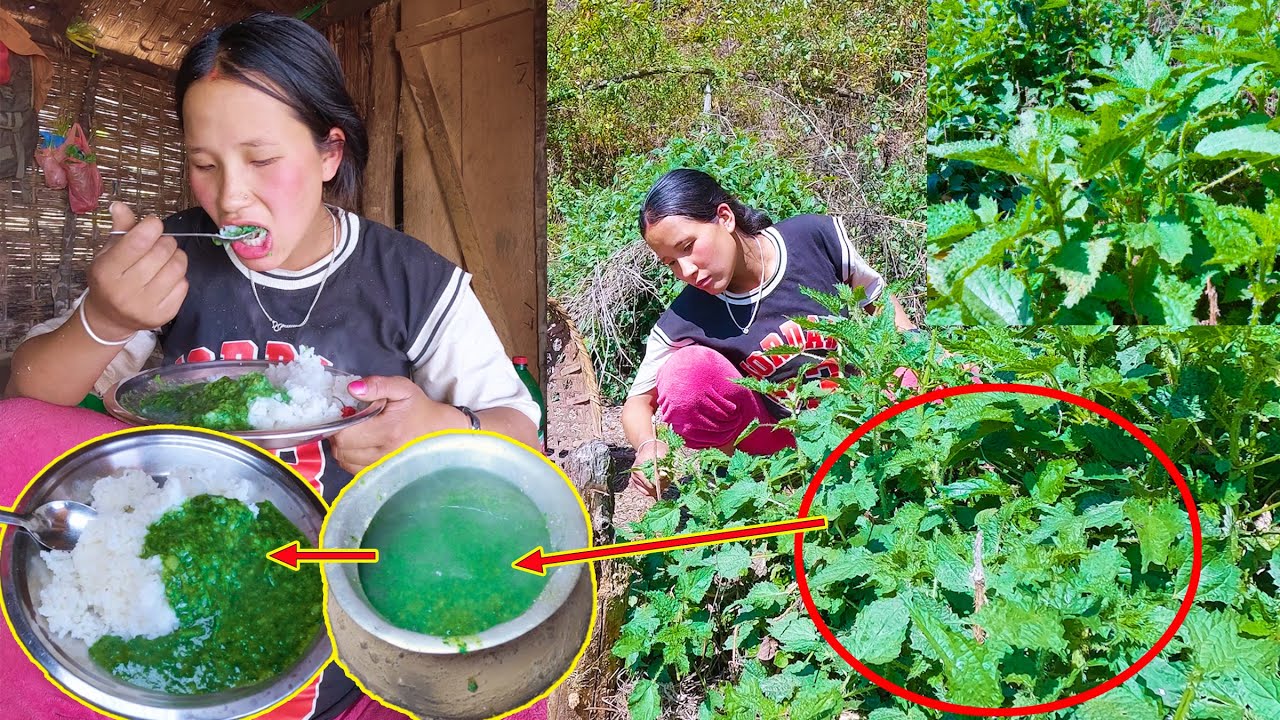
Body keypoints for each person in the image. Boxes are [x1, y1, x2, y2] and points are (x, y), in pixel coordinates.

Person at [1, 13, 542, 720]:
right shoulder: (176, 257)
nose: (229, 196)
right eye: (204, 164)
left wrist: (440, 427)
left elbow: (521, 433)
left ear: (327, 152)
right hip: (185, 572)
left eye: (261, 160)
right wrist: (105, 318)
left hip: (363, 592)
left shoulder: (413, 282)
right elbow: (28, 402)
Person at [622, 168, 917, 499]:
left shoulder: (813, 238)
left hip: (862, 409)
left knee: (925, 375)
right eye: (671, 263)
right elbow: (636, 403)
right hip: (776, 442)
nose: (685, 270)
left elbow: (879, 304)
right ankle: (758, 483)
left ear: (724, 218)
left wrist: (920, 354)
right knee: (686, 376)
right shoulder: (687, 315)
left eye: (688, 246)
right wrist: (649, 446)